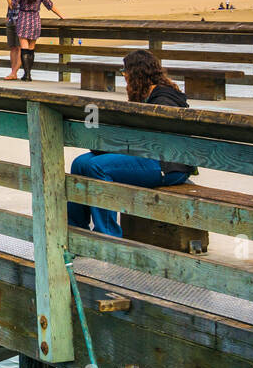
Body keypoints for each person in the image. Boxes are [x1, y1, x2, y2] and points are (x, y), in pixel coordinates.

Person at [68, 50, 195, 237]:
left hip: (167, 167)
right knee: (80, 163)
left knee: (97, 167)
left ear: (136, 73)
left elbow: (154, 143)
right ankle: (76, 231)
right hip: (146, 157)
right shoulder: (146, 96)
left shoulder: (164, 100)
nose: (124, 76)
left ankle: (108, 236)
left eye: (125, 71)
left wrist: (114, 148)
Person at [8, 0, 63, 81]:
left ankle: (26, 75)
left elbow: (13, 5)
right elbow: (50, 5)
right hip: (35, 20)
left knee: (24, 49)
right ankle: (29, 74)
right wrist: (61, 16)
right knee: (31, 49)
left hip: (23, 19)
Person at [0, 0, 22, 80]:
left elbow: (13, 5)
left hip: (21, 21)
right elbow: (10, 7)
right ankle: (13, 72)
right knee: (13, 47)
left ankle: (14, 72)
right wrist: (7, 15)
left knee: (20, 47)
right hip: (11, 20)